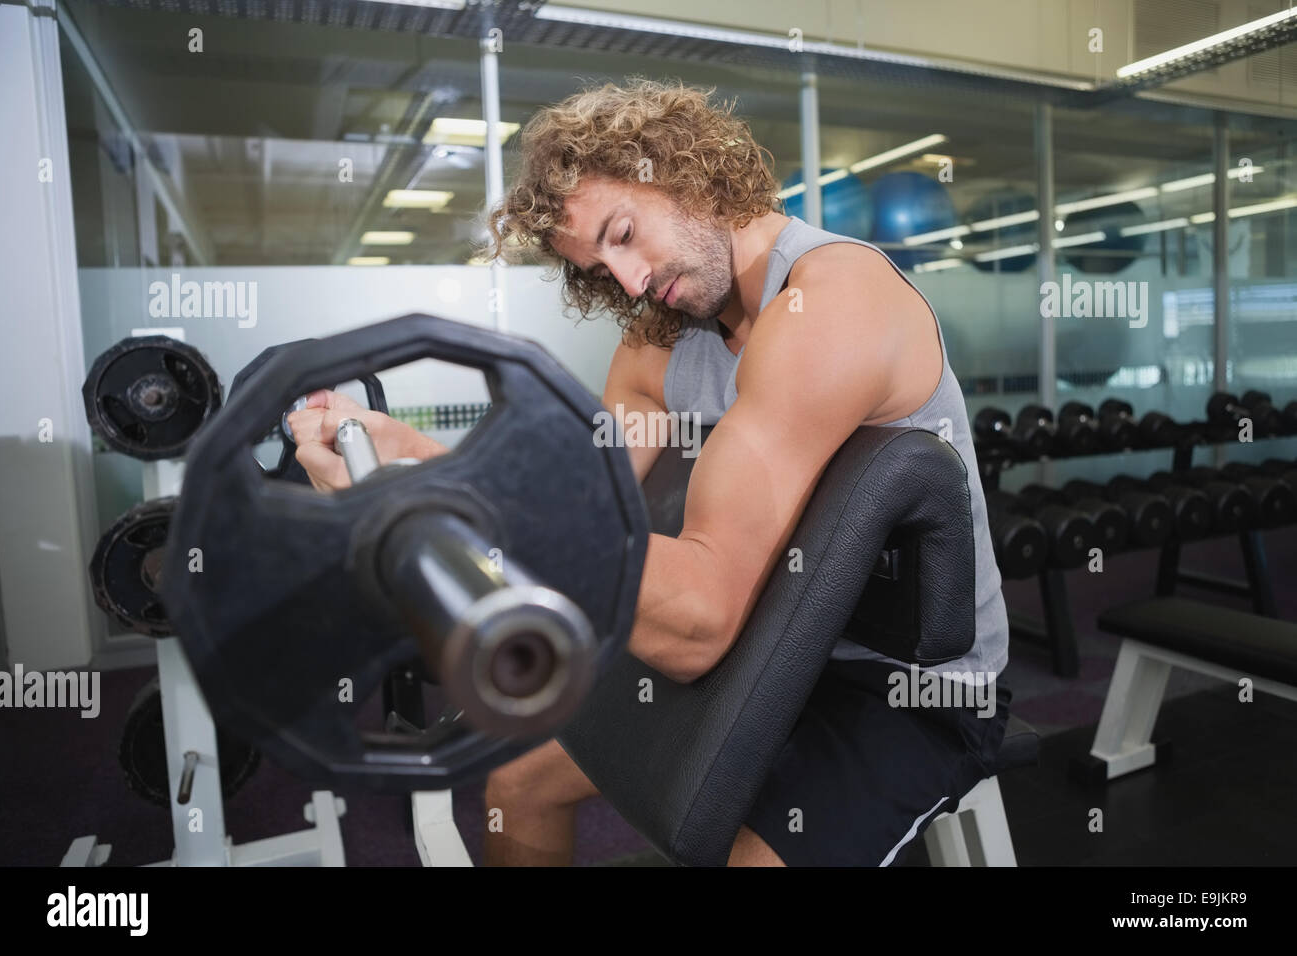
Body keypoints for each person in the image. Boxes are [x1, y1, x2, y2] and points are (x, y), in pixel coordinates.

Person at [288, 78, 1010, 867]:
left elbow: (697, 624)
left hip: (902, 688)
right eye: (599, 266)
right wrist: (407, 456)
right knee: (516, 782)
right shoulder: (660, 343)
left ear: (681, 168)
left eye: (623, 232)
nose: (629, 282)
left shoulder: (831, 305)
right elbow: (576, 502)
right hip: (772, 643)